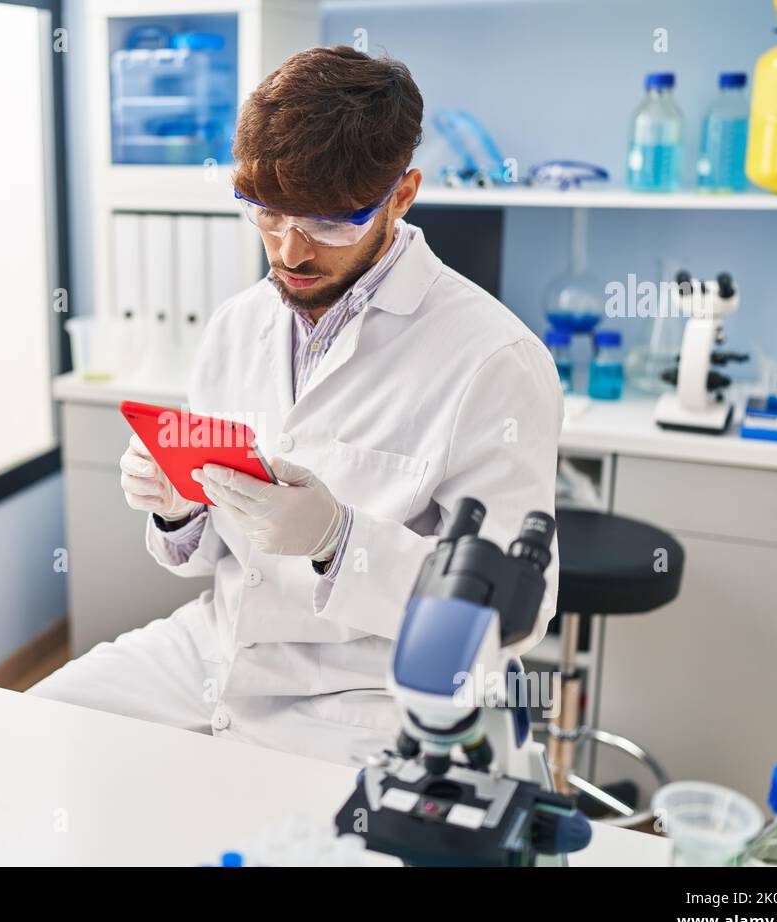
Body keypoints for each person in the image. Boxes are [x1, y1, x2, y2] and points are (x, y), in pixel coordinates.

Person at [30, 46, 563, 765]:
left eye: (329, 222)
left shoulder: (494, 360)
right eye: (267, 215)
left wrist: (340, 541)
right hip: (213, 652)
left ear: (403, 194)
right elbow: (210, 562)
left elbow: (513, 619)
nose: (291, 249)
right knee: (33, 732)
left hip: (366, 696)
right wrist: (177, 507)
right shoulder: (236, 324)